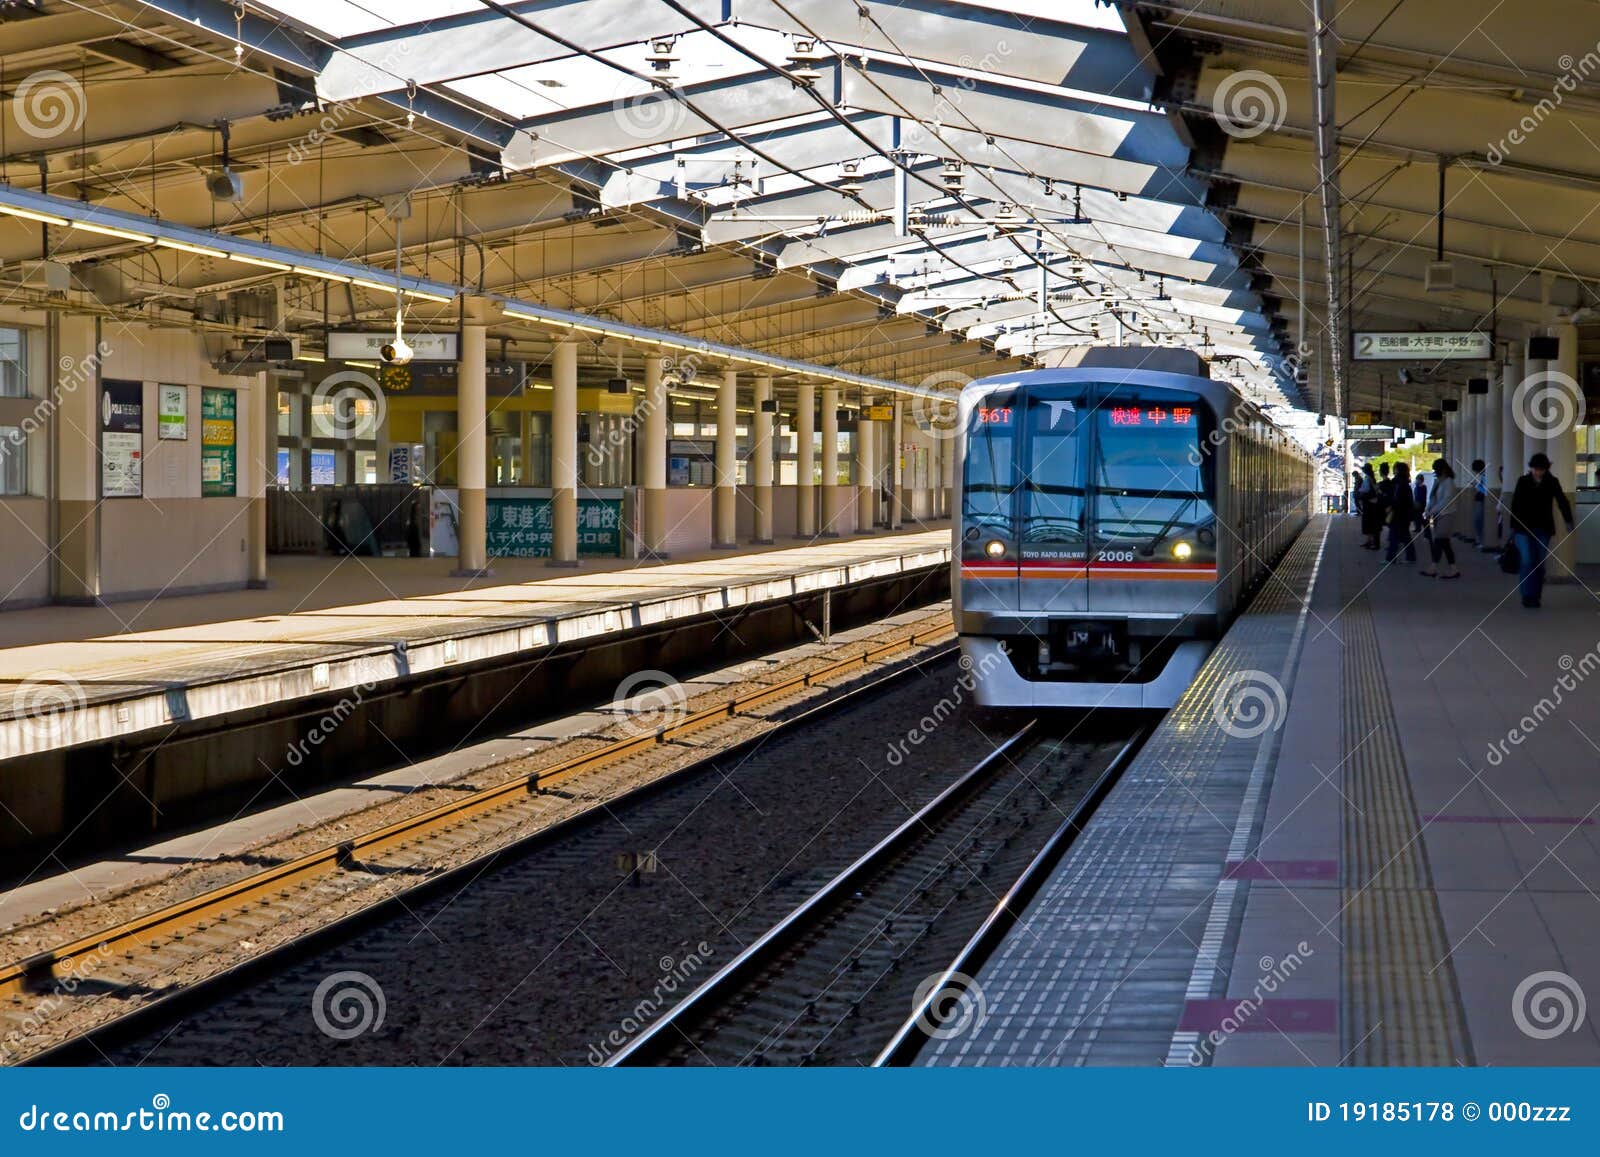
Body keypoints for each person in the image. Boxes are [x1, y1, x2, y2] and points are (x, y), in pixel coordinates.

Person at [1508, 452, 1575, 608]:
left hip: (1543, 528)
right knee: (1527, 561)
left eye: (1541, 469)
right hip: (1523, 528)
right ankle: (1527, 595)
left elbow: (1562, 501)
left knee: (1539, 563)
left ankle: (1536, 595)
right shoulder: (1523, 481)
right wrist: (1514, 528)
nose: (1538, 472)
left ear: (1546, 469)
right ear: (1531, 468)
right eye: (1535, 469)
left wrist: (1568, 520)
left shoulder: (1552, 482)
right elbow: (1515, 505)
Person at [1421, 460, 1462, 578]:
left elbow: (1446, 500)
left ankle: (1433, 567)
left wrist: (1431, 511)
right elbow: (1433, 497)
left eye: (1436, 470)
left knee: (1439, 541)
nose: (1435, 472)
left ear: (1443, 470)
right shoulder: (1439, 482)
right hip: (1439, 515)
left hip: (1447, 514)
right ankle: (1453, 569)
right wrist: (1428, 510)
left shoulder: (1449, 483)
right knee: (1444, 542)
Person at [1385, 461, 1417, 564]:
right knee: (1404, 536)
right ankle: (1410, 557)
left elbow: (1398, 499)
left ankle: (1391, 558)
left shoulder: (1400, 484)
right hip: (1404, 515)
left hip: (1399, 514)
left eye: (1395, 468)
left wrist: (1391, 507)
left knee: (1395, 536)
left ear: (1398, 470)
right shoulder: (1404, 483)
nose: (1393, 470)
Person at [1358, 463, 1383, 549]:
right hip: (1372, 503)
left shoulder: (1367, 479)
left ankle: (1371, 541)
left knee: (1368, 523)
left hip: (1368, 503)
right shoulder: (1372, 478)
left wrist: (1360, 490)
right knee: (1370, 523)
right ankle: (1369, 541)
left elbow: (1365, 489)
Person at [1469, 458, 1487, 545]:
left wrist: (1476, 485)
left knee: (1479, 521)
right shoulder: (1483, 476)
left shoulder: (1484, 477)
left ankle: (1480, 541)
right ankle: (1479, 540)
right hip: (1479, 501)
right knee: (1478, 521)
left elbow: (1485, 491)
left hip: (1482, 501)